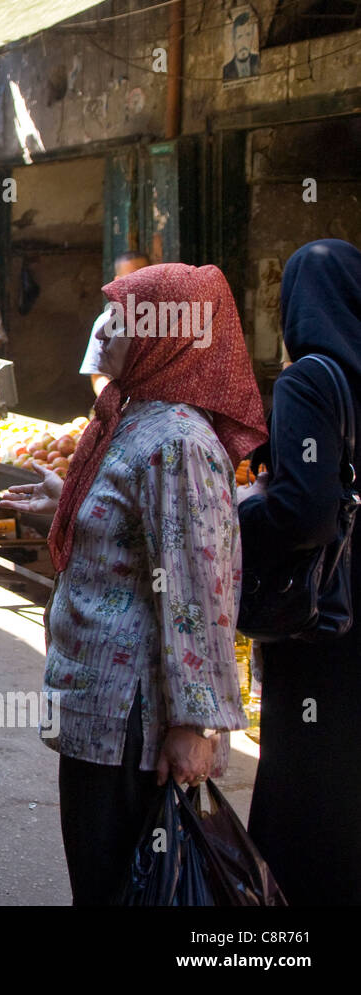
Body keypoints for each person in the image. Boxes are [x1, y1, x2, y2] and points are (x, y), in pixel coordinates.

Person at [0, 263, 266, 906]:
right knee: (103, 883)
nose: (106, 332)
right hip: (98, 705)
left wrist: (195, 725)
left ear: (165, 336)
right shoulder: (133, 415)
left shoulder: (176, 439)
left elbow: (197, 590)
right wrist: (69, 502)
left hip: (136, 719)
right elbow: (135, 530)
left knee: (127, 885)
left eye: (123, 321)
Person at [238, 238, 361, 905]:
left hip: (327, 619)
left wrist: (234, 518)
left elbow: (305, 509)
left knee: (303, 791)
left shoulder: (312, 378)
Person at [80, 252, 151, 396]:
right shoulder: (106, 322)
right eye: (133, 276)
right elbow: (98, 375)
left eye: (146, 274)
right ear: (118, 281)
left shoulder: (171, 316)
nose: (141, 281)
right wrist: (114, 404)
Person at [223, 11, 260, 80]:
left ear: (252, 37)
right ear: (233, 40)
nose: (244, 42)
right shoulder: (227, 70)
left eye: (248, 35)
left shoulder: (257, 61)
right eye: (239, 36)